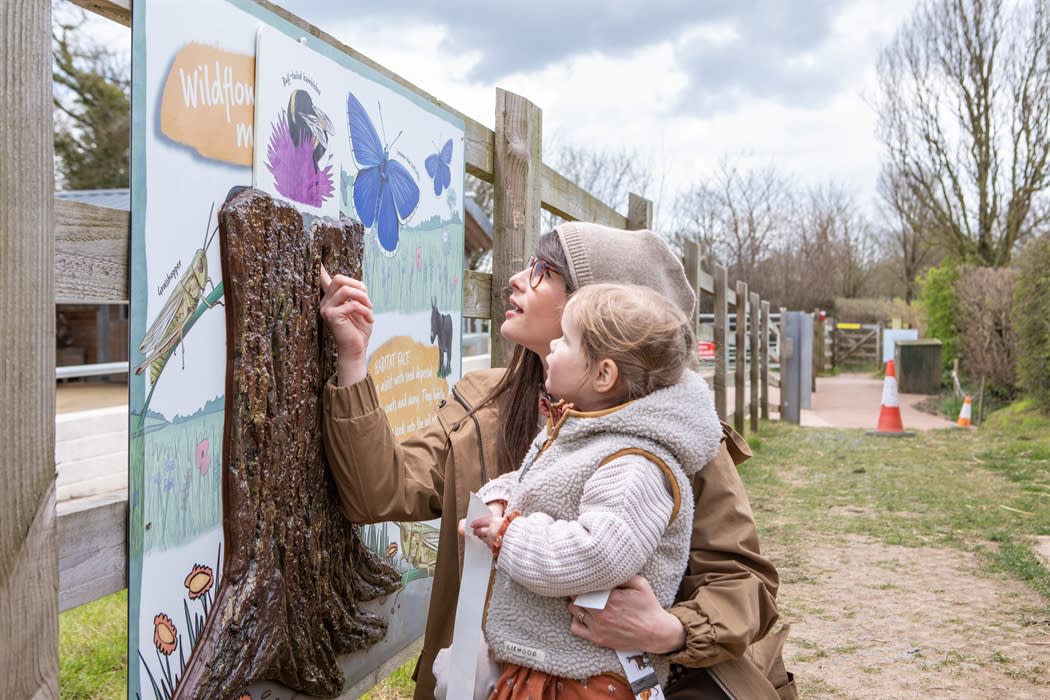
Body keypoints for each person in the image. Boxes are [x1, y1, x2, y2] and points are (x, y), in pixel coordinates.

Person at [319, 222, 795, 699]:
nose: (517, 280)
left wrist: (667, 631)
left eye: (545, 271)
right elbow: (377, 491)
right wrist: (353, 359)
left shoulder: (672, 437)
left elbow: (741, 584)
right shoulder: (484, 404)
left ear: (602, 317)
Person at [465, 282, 723, 696]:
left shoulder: (633, 464)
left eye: (565, 341)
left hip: (581, 682)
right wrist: (498, 498)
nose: (552, 346)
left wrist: (506, 535)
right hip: (548, 666)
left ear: (603, 374)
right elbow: (544, 481)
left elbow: (599, 554)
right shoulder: (584, 431)